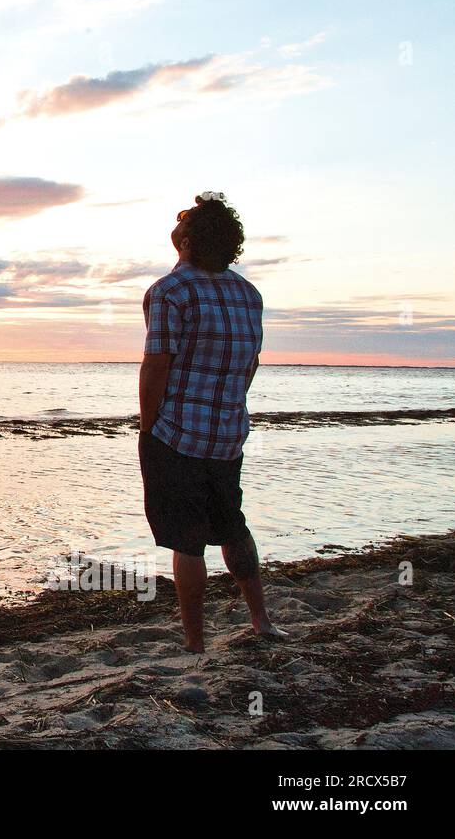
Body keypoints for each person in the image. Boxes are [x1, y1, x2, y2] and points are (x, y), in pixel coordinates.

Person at [138, 191, 287, 653]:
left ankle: (195, 642)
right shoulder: (249, 294)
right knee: (233, 524)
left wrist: (147, 427)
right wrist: (229, 405)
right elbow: (252, 362)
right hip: (227, 432)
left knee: (188, 541)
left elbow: (156, 364)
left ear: (184, 238)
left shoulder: (170, 291)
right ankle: (261, 621)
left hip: (178, 433)